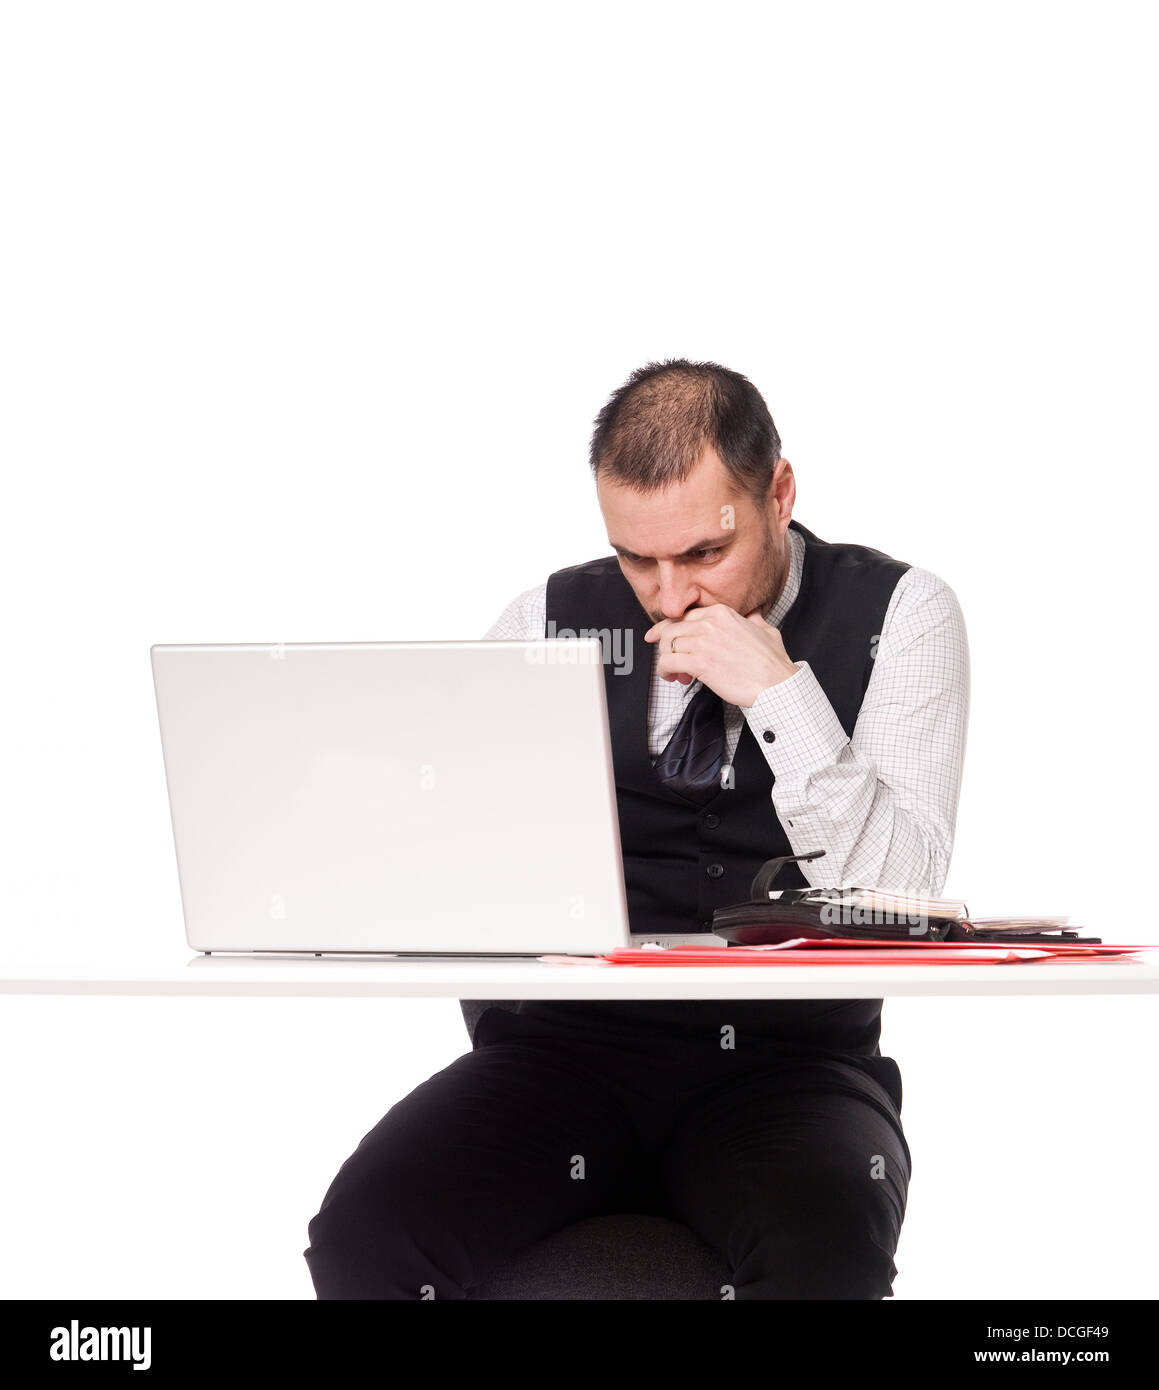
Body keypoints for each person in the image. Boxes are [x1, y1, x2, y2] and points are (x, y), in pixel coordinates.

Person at [303, 357, 969, 1299]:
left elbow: (902, 891)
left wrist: (783, 697)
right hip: (567, 1059)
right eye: (635, 558)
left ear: (778, 493)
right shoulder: (544, 619)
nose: (665, 597)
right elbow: (462, 861)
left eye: (703, 555)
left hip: (791, 1065)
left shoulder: (900, 616)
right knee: (366, 1233)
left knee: (822, 1251)